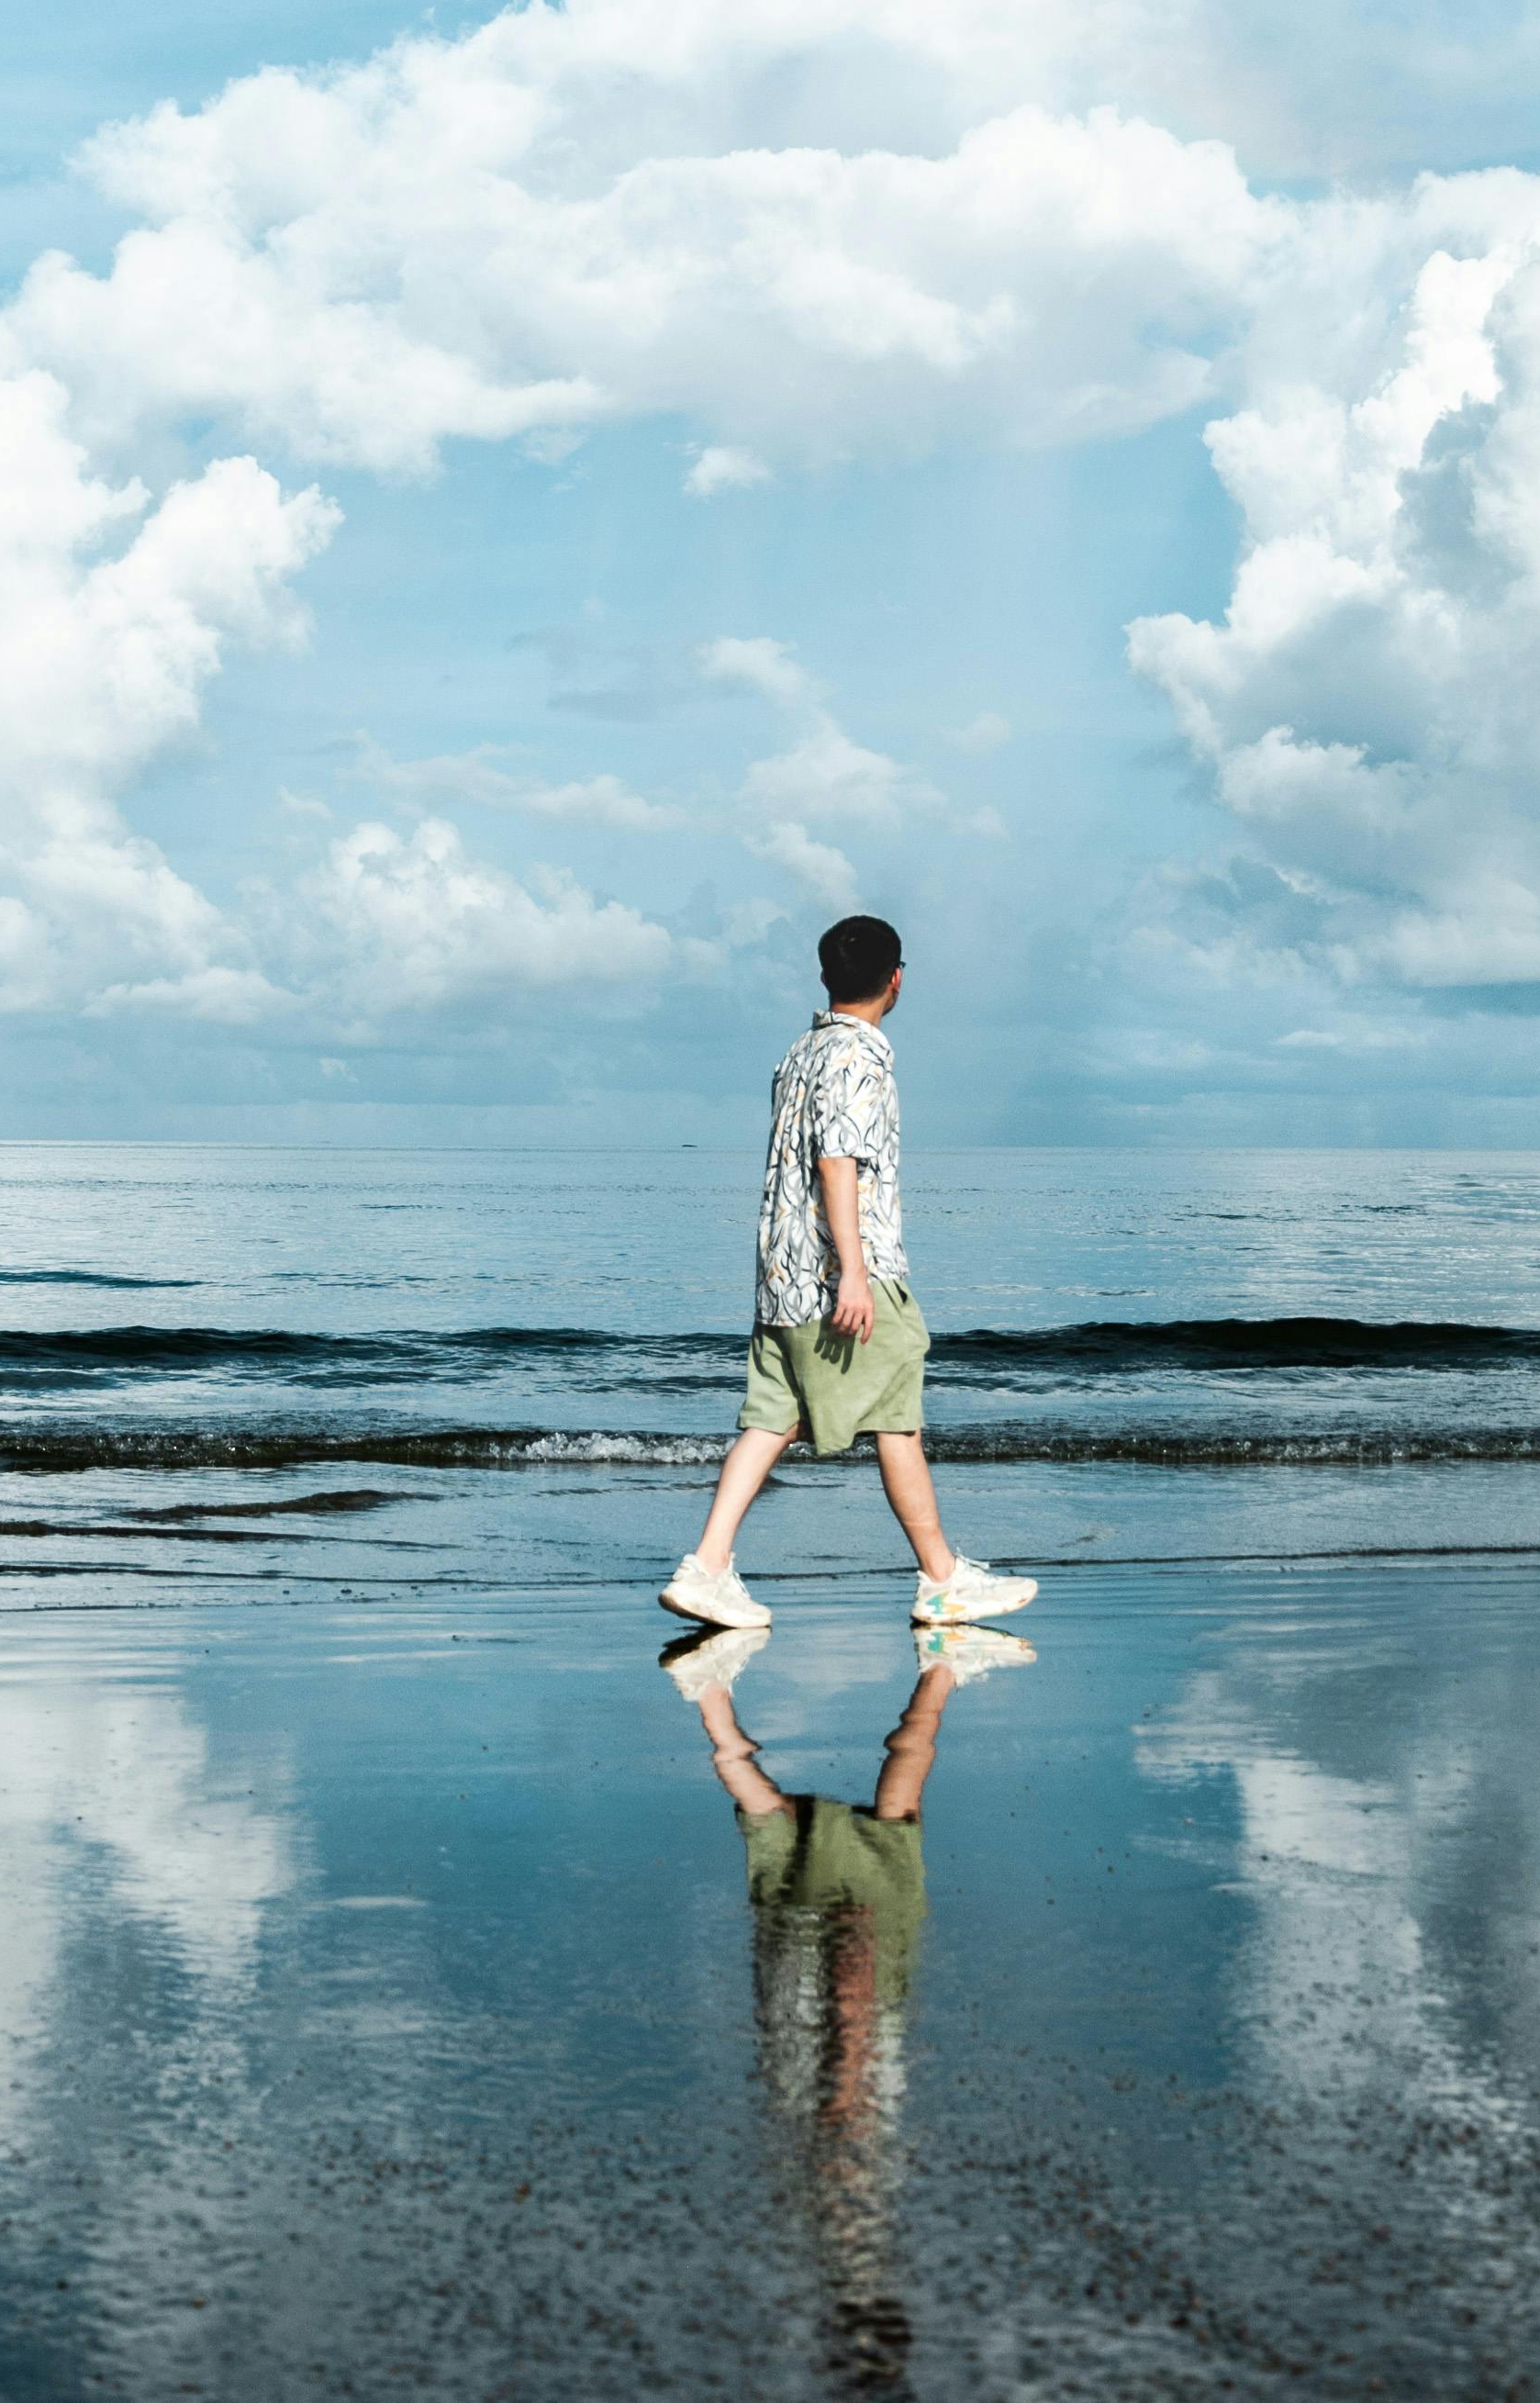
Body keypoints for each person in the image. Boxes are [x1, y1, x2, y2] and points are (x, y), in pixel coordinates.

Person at [660, 1617, 1035, 2396]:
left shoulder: (846, 2220)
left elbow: (847, 2111)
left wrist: (852, 2005)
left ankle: (935, 1668)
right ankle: (707, 1687)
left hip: (831, 2014)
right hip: (804, 2006)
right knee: (786, 1820)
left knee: (891, 1811)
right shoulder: (840, 2225)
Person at [659, 913, 1039, 1632]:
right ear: (897, 980)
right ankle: (942, 1580)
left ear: (825, 976)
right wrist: (856, 1274)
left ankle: (706, 1566)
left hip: (783, 1277)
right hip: (844, 1274)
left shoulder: (800, 1052)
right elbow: (837, 1159)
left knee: (772, 1417)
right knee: (897, 1417)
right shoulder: (858, 1056)